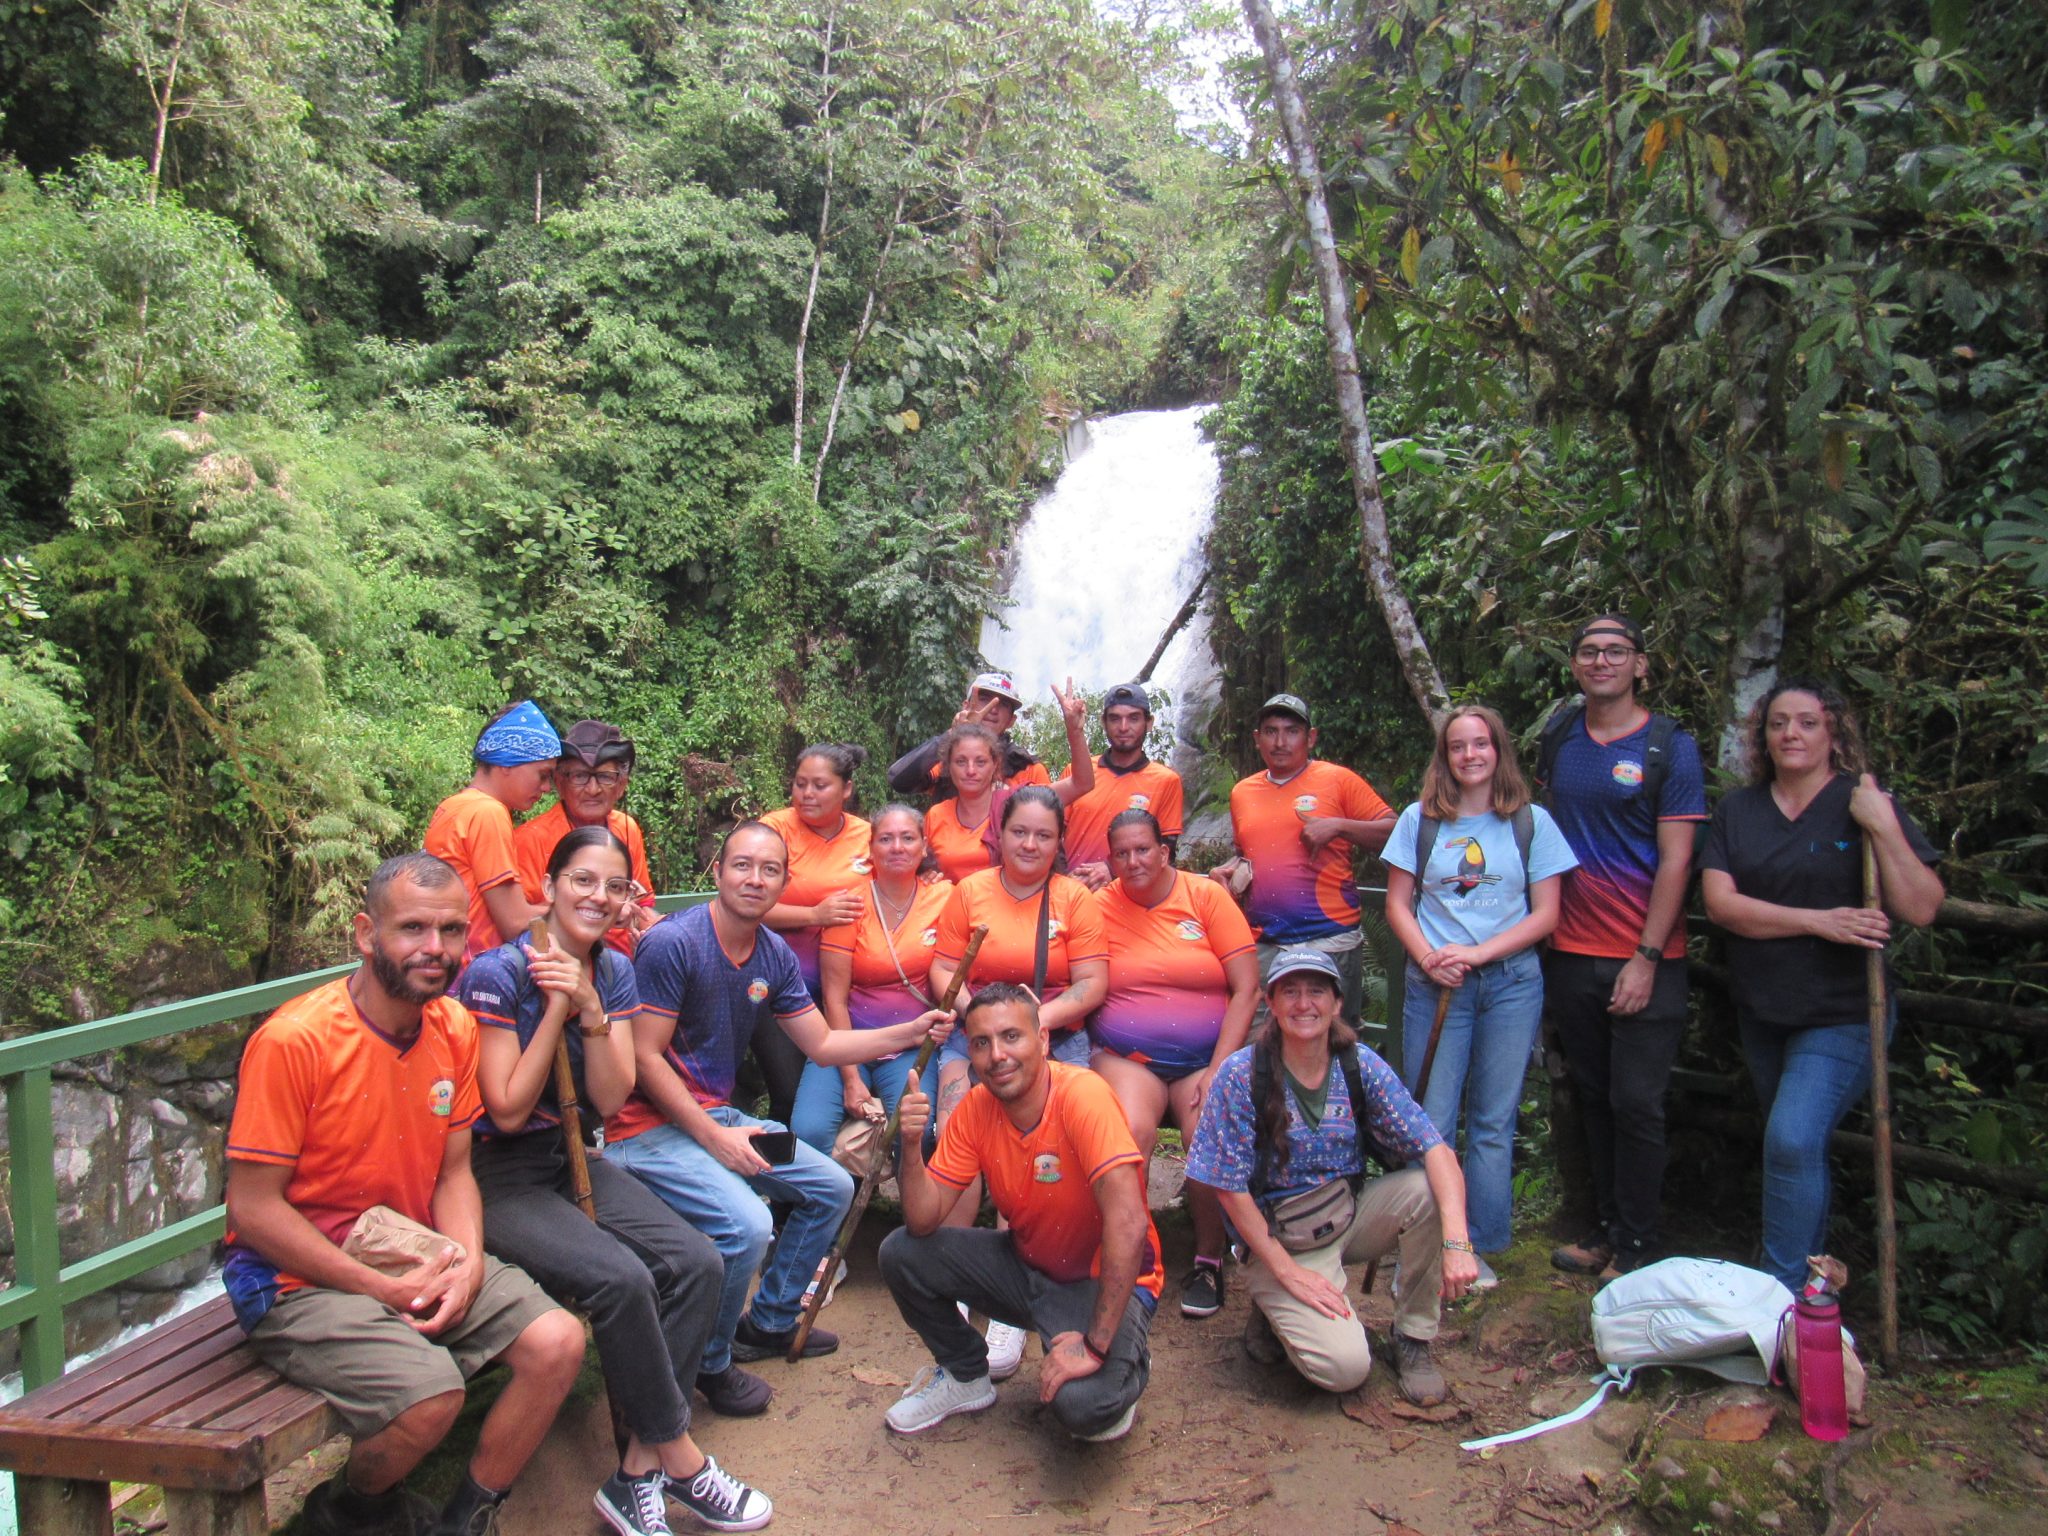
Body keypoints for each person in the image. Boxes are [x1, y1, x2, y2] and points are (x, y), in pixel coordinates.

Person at [222, 853, 586, 1536]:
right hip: (294, 1277)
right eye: (412, 929)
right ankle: (348, 1514)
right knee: (430, 1398)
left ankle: (467, 1514)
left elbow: (453, 1174)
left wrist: (469, 1259)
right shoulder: (295, 1041)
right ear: (366, 934)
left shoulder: (452, 1027)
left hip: (406, 1246)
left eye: (452, 931)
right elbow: (253, 1208)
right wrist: (376, 1287)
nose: (436, 949)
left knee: (558, 1341)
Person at [456, 827, 771, 1534]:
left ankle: (635, 1471)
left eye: (615, 886)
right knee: (623, 1278)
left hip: (573, 1157)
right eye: (582, 881)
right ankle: (683, 1460)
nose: (598, 898)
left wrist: (593, 1011)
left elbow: (606, 1098)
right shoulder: (497, 975)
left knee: (697, 1261)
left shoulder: (616, 971)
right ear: (549, 885)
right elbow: (504, 1108)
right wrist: (558, 1010)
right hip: (498, 1176)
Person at [603, 823, 952, 1408]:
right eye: (742, 865)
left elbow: (822, 1045)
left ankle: (767, 1321)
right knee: (748, 1226)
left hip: (718, 1118)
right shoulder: (675, 944)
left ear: (785, 882)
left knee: (830, 1185)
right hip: (649, 1130)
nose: (754, 879)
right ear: (717, 872)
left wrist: (910, 1030)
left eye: (770, 870)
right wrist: (716, 1138)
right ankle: (710, 1366)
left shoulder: (772, 955)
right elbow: (642, 1059)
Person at [1700, 680, 1943, 1291]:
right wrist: (1818, 922)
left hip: (1844, 1012)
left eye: (1807, 723)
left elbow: (1921, 907)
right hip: (1763, 1011)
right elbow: (1723, 906)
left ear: (1833, 732)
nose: (1791, 735)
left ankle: (1778, 1295)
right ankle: (1812, 1290)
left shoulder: (1861, 803)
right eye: (1779, 723)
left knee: (1790, 1138)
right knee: (1795, 1148)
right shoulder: (1740, 810)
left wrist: (1882, 827)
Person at [1183, 948, 1479, 1404]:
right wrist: (1286, 1273)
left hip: (1347, 1212)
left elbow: (1435, 1149)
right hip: (1277, 1235)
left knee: (1426, 1191)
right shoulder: (1242, 1074)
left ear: (1337, 1002)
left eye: (1317, 991)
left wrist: (1457, 1241)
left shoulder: (1357, 1064)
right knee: (1345, 1369)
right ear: (1272, 1002)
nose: (1305, 1004)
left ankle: (1414, 1338)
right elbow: (1227, 1185)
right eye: (1291, 992)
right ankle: (1273, 1304)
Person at [878, 984, 1161, 1443]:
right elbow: (923, 1222)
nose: (997, 1056)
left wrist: (1094, 1345)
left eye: (1012, 1037)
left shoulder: (1081, 1095)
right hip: (1027, 1265)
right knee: (902, 1253)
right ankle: (965, 1376)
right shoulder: (976, 1107)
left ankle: (1121, 1359)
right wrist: (911, 1148)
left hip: (1097, 1279)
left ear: (1043, 1040)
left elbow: (1128, 1225)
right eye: (982, 1043)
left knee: (1085, 1410)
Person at [1536, 615, 1709, 1280]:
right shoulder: (1560, 737)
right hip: (1571, 951)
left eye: (1615, 650)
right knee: (1594, 1095)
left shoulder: (1670, 747)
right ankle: (1608, 1232)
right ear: (1576, 665)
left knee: (1637, 1102)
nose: (1601, 660)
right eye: (1588, 650)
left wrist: (1646, 954)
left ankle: (1639, 1244)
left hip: (1645, 958)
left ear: (1640, 664)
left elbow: (1677, 861)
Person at [1381, 705, 1578, 1288]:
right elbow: (1397, 902)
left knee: (1493, 1119)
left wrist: (1478, 955)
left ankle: (1482, 1246)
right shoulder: (1420, 821)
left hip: (1510, 984)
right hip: (1435, 985)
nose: (1470, 755)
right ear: (1444, 756)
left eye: (1481, 744)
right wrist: (1429, 958)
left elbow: (1548, 915)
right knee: (1431, 1120)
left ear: (1499, 752)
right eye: (1458, 746)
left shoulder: (1530, 823)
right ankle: (1426, 1247)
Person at [926, 785, 1109, 1378]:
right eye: (1019, 832)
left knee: (1039, 1144)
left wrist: (1030, 1023)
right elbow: (942, 964)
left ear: (1059, 843)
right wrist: (985, 1018)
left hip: (1052, 1033)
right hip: (972, 1033)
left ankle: (1015, 1293)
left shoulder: (1074, 898)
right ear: (999, 835)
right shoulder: (969, 892)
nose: (1030, 844)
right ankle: (955, 1273)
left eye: (1044, 835)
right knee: (958, 1121)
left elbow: (1090, 985)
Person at [1089, 809, 1258, 1318]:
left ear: (1164, 852)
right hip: (1127, 1057)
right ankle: (1130, 1251)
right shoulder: (1099, 905)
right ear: (1110, 858)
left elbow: (1247, 988)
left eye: (1143, 849)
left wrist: (1221, 1067)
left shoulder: (1206, 897)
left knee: (1205, 1131)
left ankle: (1208, 1258)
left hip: (1205, 1059)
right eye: (1122, 852)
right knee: (1129, 1128)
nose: (1133, 860)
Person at [1211, 693, 1394, 1020]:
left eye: (1291, 731)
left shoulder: (1337, 780)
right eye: (1270, 731)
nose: (1280, 741)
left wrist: (1338, 826)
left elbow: (1394, 831)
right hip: (1264, 943)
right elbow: (1249, 854)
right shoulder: (1242, 793)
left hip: (1329, 939)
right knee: (1262, 1045)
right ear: (1257, 739)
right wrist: (1227, 871)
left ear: (1310, 737)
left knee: (1334, 1043)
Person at [791, 803, 954, 1158]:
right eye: (886, 839)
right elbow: (834, 998)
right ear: (871, 848)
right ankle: (832, 1206)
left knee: (917, 1133)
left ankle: (911, 1212)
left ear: (924, 847)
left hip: (912, 1045)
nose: (897, 847)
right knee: (808, 1131)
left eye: (908, 838)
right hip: (850, 1042)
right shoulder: (850, 906)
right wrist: (850, 1077)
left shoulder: (946, 898)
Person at [758, 743, 875, 1123]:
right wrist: (814, 914)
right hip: (780, 982)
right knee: (789, 1090)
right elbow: (748, 904)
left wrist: (928, 873)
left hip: (847, 986)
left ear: (846, 789)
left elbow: (898, 879)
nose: (807, 794)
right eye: (800, 784)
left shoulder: (867, 835)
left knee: (839, 1084)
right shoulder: (774, 830)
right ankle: (781, 1170)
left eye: (820, 786)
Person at [425, 700, 559, 962]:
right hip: (476, 969)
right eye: (543, 775)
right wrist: (580, 910)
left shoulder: (452, 807)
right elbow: (515, 921)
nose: (546, 788)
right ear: (507, 763)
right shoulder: (488, 813)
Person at [512, 718, 657, 957]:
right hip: (554, 961)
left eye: (605, 777)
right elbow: (517, 923)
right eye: (580, 776)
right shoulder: (531, 839)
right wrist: (607, 909)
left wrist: (648, 927)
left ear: (621, 785)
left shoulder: (627, 829)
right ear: (559, 782)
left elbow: (644, 906)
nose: (593, 789)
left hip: (623, 967)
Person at [923, 685, 1096, 884]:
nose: (970, 770)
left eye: (980, 762)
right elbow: (922, 868)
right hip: (955, 910)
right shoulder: (936, 816)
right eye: (961, 761)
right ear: (948, 766)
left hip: (1008, 909)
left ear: (995, 765)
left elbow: (1082, 783)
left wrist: (1075, 730)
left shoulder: (1015, 804)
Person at [1059, 682, 1186, 892]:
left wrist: (1111, 868)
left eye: (1134, 718)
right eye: (1115, 718)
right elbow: (1051, 834)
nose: (1124, 727)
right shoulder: (1078, 772)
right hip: (1073, 891)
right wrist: (1065, 880)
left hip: (1132, 897)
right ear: (1104, 723)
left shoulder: (1166, 781)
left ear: (1149, 723)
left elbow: (1166, 850)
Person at [887, 671, 1050, 798]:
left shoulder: (1030, 769)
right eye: (985, 698)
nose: (993, 709)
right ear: (965, 706)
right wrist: (952, 735)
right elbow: (899, 780)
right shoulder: (947, 758)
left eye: (1003, 704)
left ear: (1011, 720)